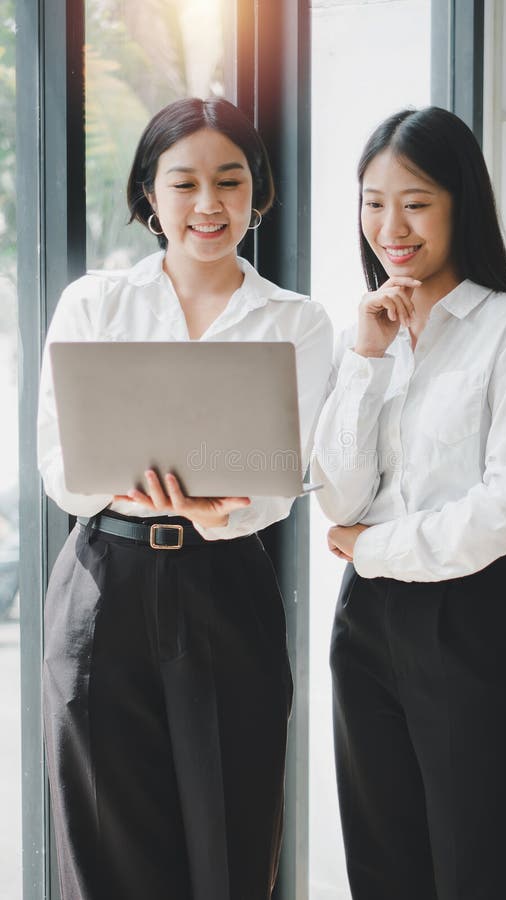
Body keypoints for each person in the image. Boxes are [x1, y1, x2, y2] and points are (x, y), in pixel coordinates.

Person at [38, 97, 332, 900]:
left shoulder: (297, 321)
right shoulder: (94, 305)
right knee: (108, 845)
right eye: (185, 182)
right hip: (106, 585)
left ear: (258, 193)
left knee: (232, 844)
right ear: (149, 195)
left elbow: (286, 479)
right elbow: (59, 467)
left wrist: (219, 513)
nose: (210, 205)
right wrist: (129, 490)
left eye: (231, 181)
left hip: (226, 584)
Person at [312, 106, 506, 900]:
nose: (389, 225)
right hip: (367, 623)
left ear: (462, 201)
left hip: (474, 618)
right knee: (385, 860)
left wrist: (373, 546)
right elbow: (338, 493)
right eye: (372, 200)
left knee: (486, 861)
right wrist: (365, 357)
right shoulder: (372, 334)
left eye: (416, 201)